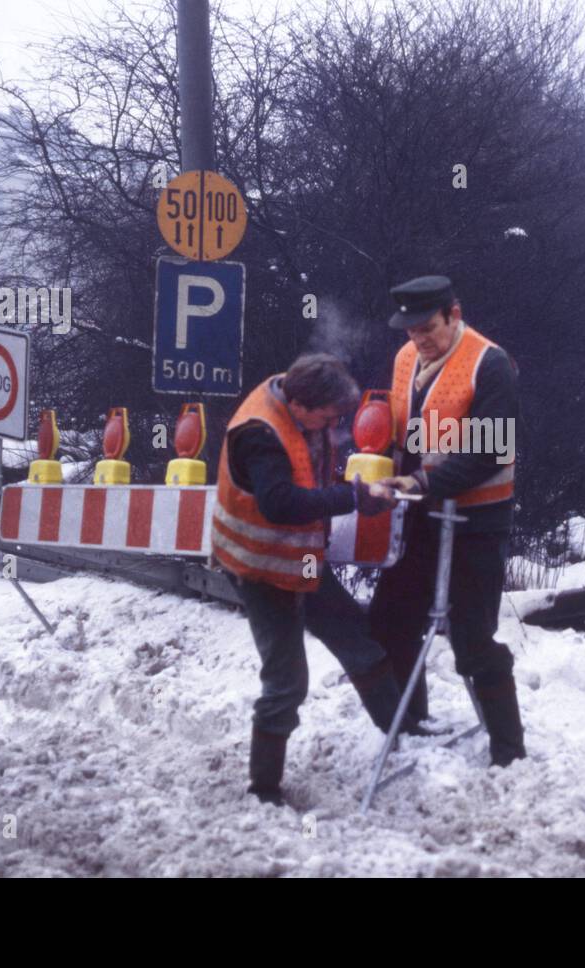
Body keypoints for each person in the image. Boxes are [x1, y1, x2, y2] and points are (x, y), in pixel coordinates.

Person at [210, 353, 414, 806]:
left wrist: (354, 491)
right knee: (286, 682)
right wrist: (354, 498)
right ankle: (264, 790)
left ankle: (400, 739)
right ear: (300, 404)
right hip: (260, 568)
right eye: (328, 415)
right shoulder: (259, 435)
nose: (334, 424)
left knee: (356, 641)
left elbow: (309, 476)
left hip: (300, 560)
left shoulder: (298, 408)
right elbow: (280, 503)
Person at [367, 275, 527, 767]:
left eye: (428, 329)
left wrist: (422, 482)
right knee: (391, 619)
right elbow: (402, 435)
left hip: (477, 522)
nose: (419, 339)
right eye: (411, 330)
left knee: (472, 639)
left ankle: (509, 751)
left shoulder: (490, 364)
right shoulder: (403, 359)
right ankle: (411, 722)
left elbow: (490, 451)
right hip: (420, 518)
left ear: (453, 314)